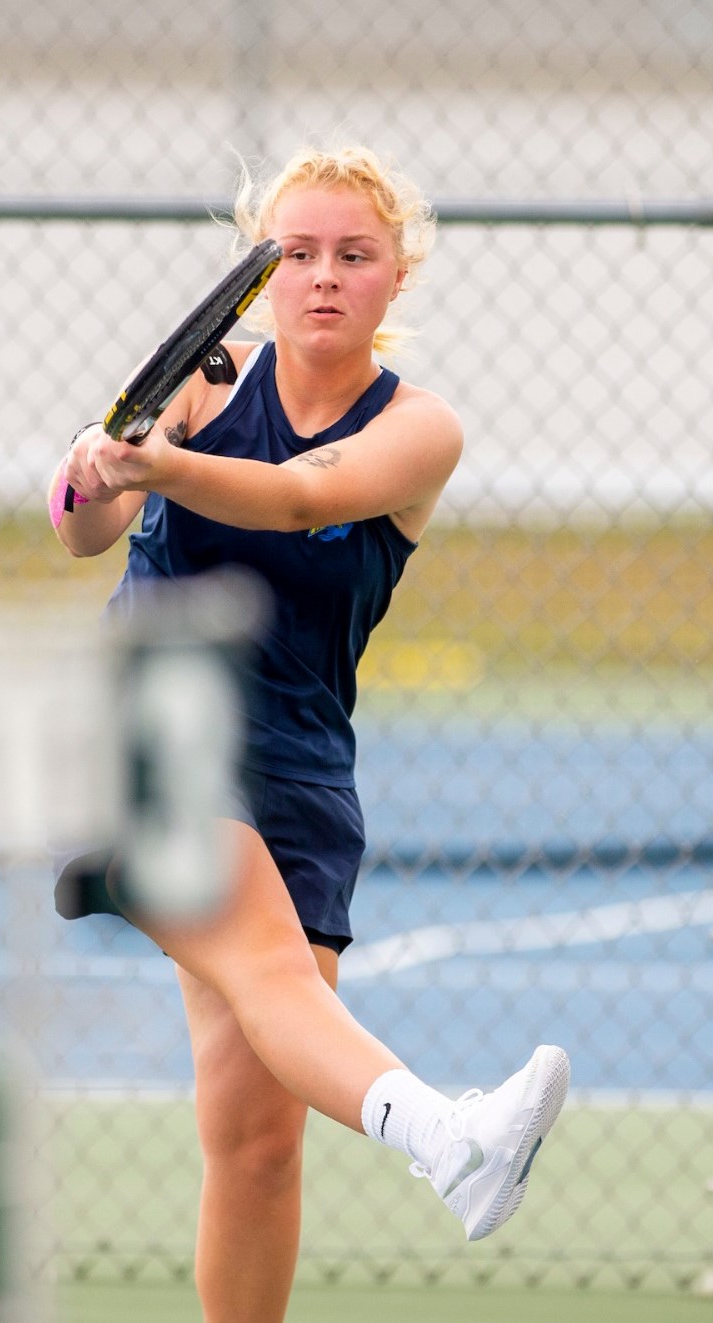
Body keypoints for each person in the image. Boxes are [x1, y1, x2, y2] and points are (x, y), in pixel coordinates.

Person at [48, 145, 569, 1322]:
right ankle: (450, 1136)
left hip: (299, 768)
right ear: (258, 273)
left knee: (256, 1140)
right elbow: (82, 533)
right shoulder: (202, 385)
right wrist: (91, 471)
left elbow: (296, 497)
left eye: (355, 255)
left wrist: (154, 464)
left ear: (396, 281)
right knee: (279, 979)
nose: (323, 275)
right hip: (154, 727)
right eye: (296, 254)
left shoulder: (420, 432)